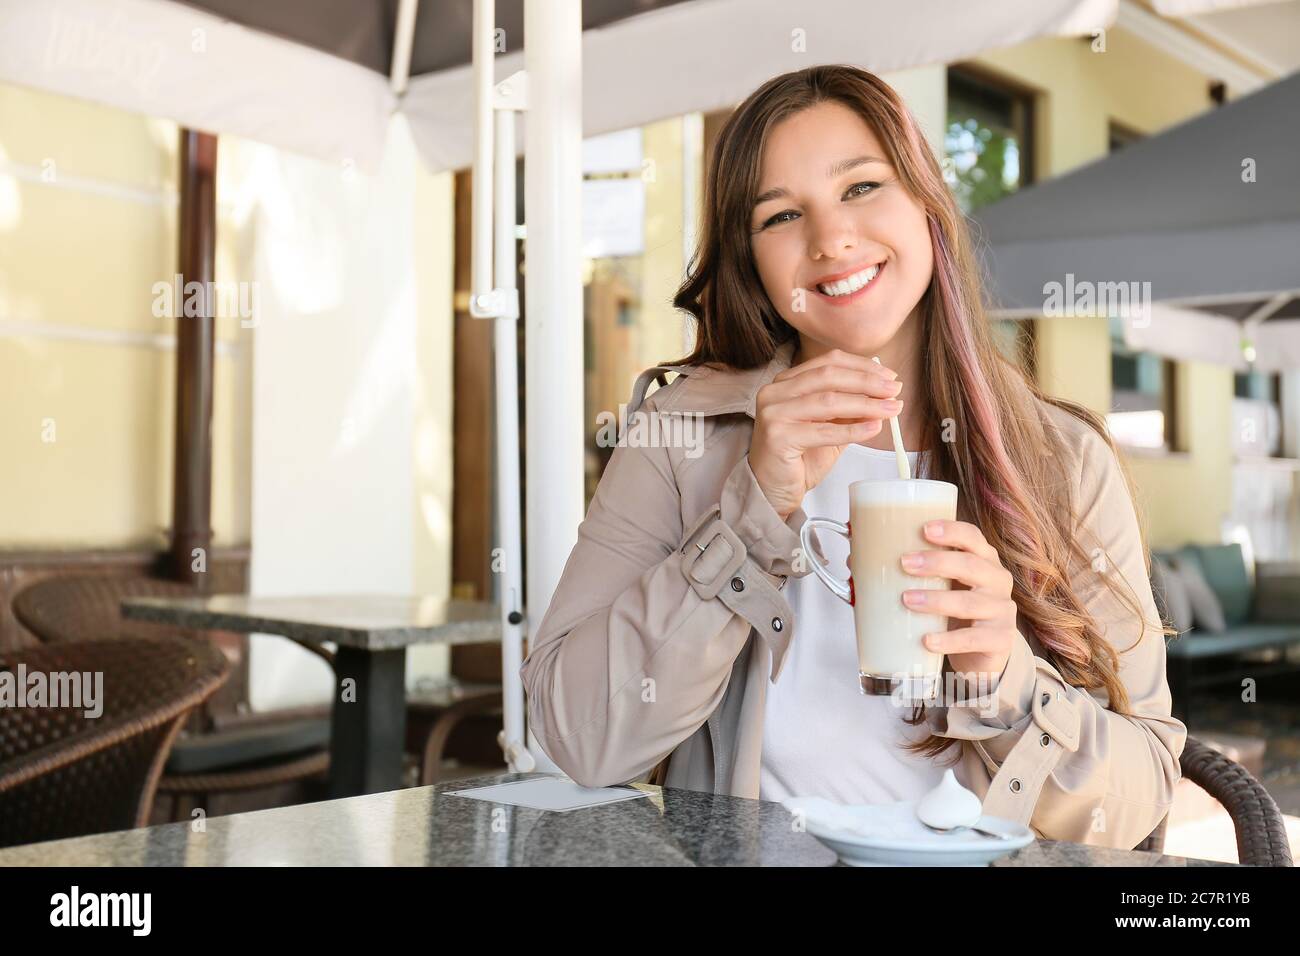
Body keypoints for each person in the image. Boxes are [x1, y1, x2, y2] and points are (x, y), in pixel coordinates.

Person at [520, 64, 1186, 848]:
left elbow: (1139, 795)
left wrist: (1001, 674)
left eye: (862, 187)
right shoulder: (680, 438)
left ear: (926, 202)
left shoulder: (1064, 463)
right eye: (779, 216)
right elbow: (576, 736)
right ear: (752, 261)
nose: (831, 238)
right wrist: (748, 521)